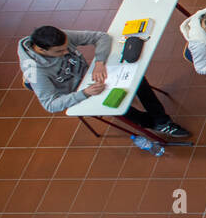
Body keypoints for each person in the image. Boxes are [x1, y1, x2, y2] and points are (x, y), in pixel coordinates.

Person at [19, 25, 191, 139]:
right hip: (77, 94)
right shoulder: (32, 69)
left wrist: (99, 62)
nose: (66, 52)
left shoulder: (57, 37)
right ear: (40, 50)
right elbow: (50, 104)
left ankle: (162, 120)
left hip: (93, 75)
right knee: (117, 107)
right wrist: (84, 93)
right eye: (59, 51)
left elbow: (101, 37)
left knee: (136, 77)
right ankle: (153, 123)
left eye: (66, 48)